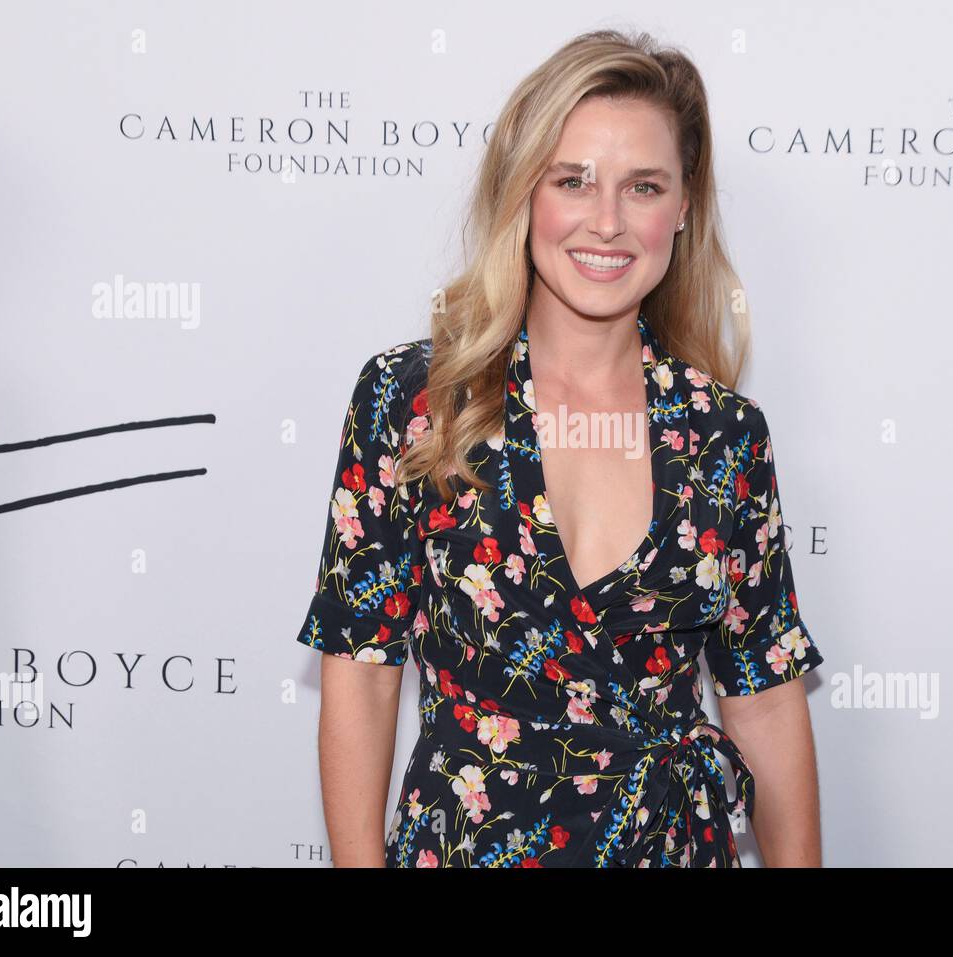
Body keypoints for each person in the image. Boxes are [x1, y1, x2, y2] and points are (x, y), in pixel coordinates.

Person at [294, 29, 825, 868]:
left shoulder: (724, 433)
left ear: (683, 208)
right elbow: (360, 674)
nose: (607, 221)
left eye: (643, 186)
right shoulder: (414, 401)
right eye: (572, 180)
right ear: (523, 194)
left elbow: (762, 695)